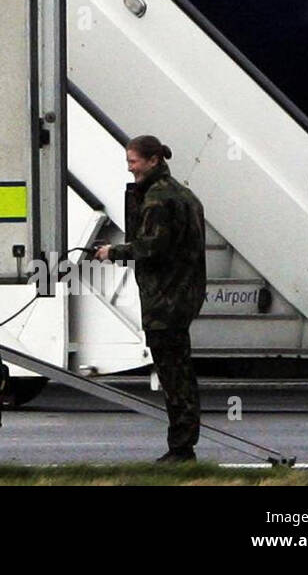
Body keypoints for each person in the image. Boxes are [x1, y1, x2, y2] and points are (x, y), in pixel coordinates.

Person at [95, 135, 206, 462]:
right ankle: (183, 443)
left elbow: (150, 247)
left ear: (153, 160)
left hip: (166, 297)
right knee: (179, 371)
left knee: (173, 375)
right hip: (183, 293)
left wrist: (111, 252)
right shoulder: (184, 194)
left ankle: (181, 448)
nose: (130, 168)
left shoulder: (158, 199)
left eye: (134, 161)